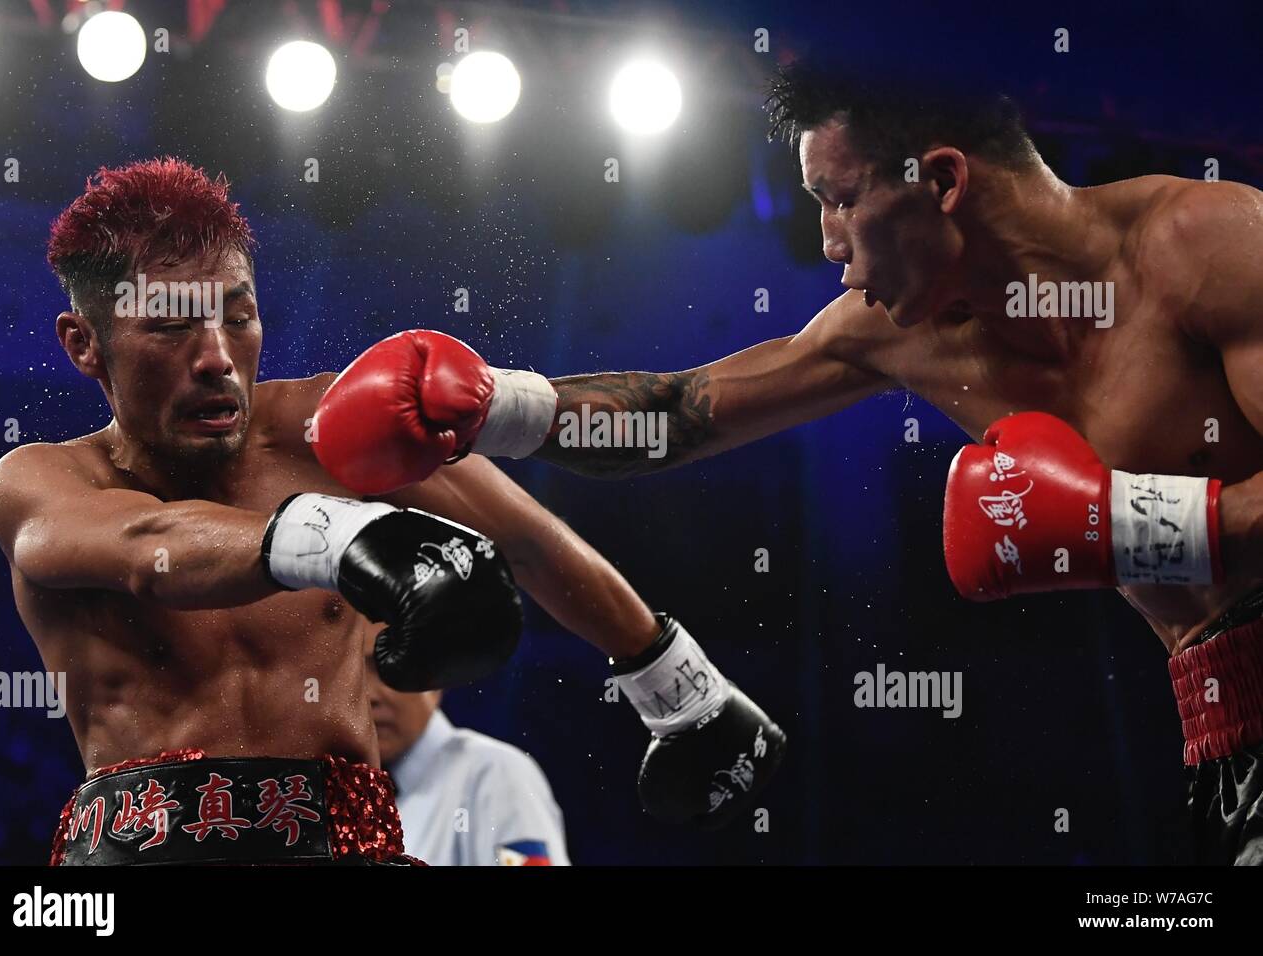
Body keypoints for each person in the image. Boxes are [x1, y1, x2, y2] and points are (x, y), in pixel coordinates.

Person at [315, 64, 1263, 864]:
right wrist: (494, 409)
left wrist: (1145, 525)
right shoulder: (898, 335)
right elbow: (677, 417)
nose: (826, 243)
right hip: (1219, 728)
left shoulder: (1202, 249)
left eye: (841, 200)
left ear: (941, 179)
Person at [0, 158, 783, 863]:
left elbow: (526, 540)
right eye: (169, 327)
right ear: (83, 343)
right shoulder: (42, 481)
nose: (217, 359)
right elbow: (143, 544)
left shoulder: (329, 429)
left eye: (238, 315)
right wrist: (350, 535)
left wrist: (679, 686)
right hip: (138, 857)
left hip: (349, 844)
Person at [367, 672, 570, 866]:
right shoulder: (351, 790)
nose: (368, 695)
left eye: (383, 668)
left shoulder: (495, 773)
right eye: (349, 670)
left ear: (434, 676)